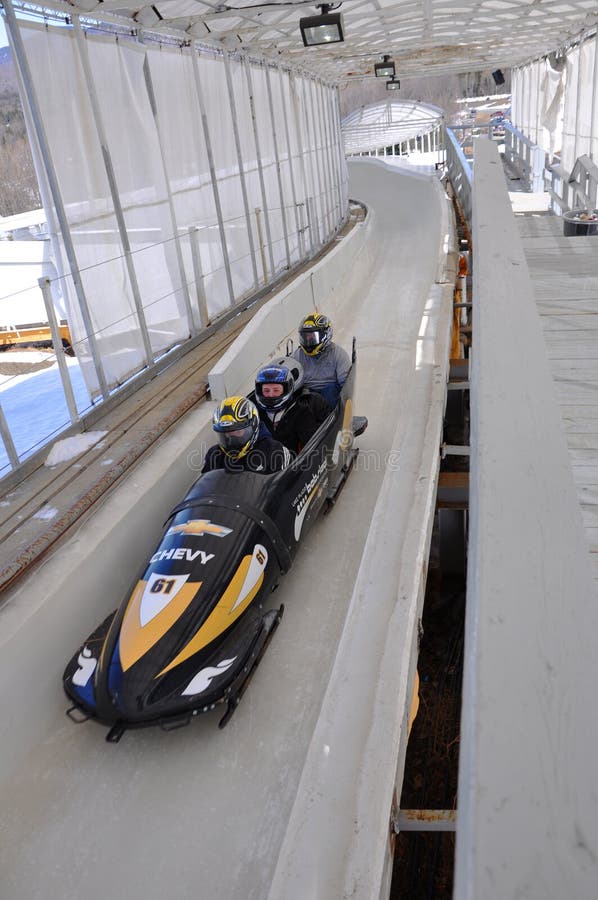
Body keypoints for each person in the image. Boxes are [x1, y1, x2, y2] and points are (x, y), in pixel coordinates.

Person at [254, 358, 330, 455]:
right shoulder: (256, 413)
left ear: (287, 389)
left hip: (293, 464)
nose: (271, 395)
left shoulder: (301, 411)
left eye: (276, 390)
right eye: (266, 391)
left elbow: (312, 447)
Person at [202, 395, 290, 474]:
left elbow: (286, 485)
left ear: (253, 426)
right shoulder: (214, 455)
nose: (232, 438)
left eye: (237, 432)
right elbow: (205, 486)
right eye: (227, 433)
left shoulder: (274, 451)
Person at [292, 312, 351, 407]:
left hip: (328, 396)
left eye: (312, 337)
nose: (308, 340)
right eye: (306, 336)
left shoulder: (339, 354)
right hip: (307, 394)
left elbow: (345, 385)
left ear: (325, 335)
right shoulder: (297, 356)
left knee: (330, 389)